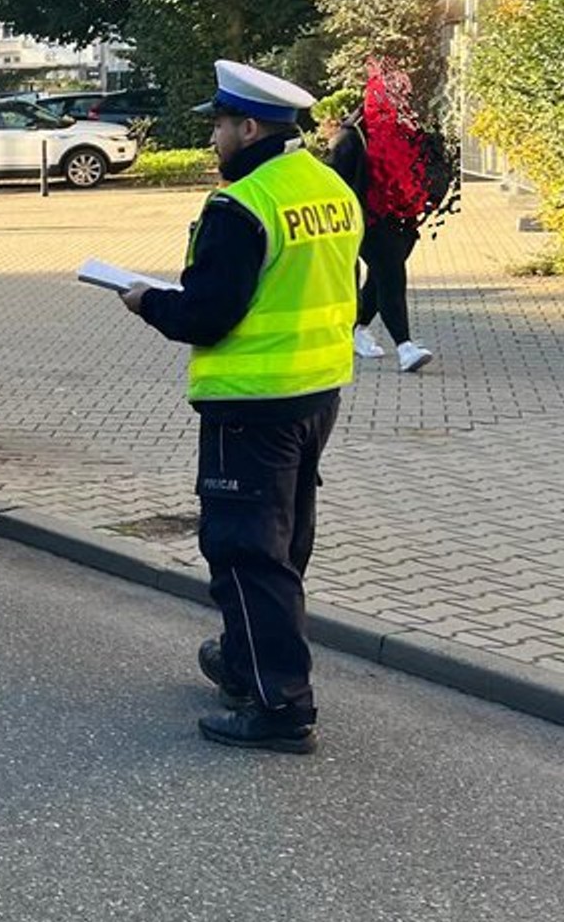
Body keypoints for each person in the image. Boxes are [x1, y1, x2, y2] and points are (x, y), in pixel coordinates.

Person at [120, 61, 362, 755]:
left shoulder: (241, 205)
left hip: (250, 404)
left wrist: (146, 302)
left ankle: (280, 705)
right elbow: (358, 285)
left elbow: (208, 314)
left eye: (220, 126)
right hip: (316, 393)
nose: (214, 140)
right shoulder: (328, 186)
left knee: (246, 552)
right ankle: (242, 659)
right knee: (282, 544)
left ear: (249, 127)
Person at [322, 81, 436, 373]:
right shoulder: (351, 138)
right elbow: (334, 184)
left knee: (380, 277)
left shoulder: (402, 132)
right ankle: (405, 347)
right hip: (365, 220)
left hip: (397, 219)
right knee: (391, 274)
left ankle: (358, 329)